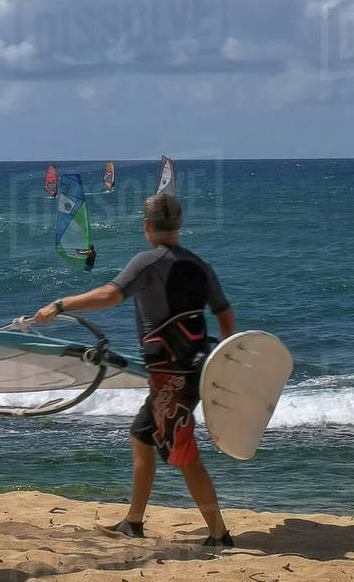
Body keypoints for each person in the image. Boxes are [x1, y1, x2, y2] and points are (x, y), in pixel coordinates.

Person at [34, 193, 236, 547]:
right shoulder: (201, 265)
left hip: (170, 379)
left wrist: (59, 304)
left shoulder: (148, 261)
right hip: (188, 372)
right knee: (142, 435)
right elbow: (225, 314)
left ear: (147, 227)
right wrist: (223, 357)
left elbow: (110, 295)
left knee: (184, 454)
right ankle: (133, 522)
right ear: (180, 225)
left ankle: (219, 534)